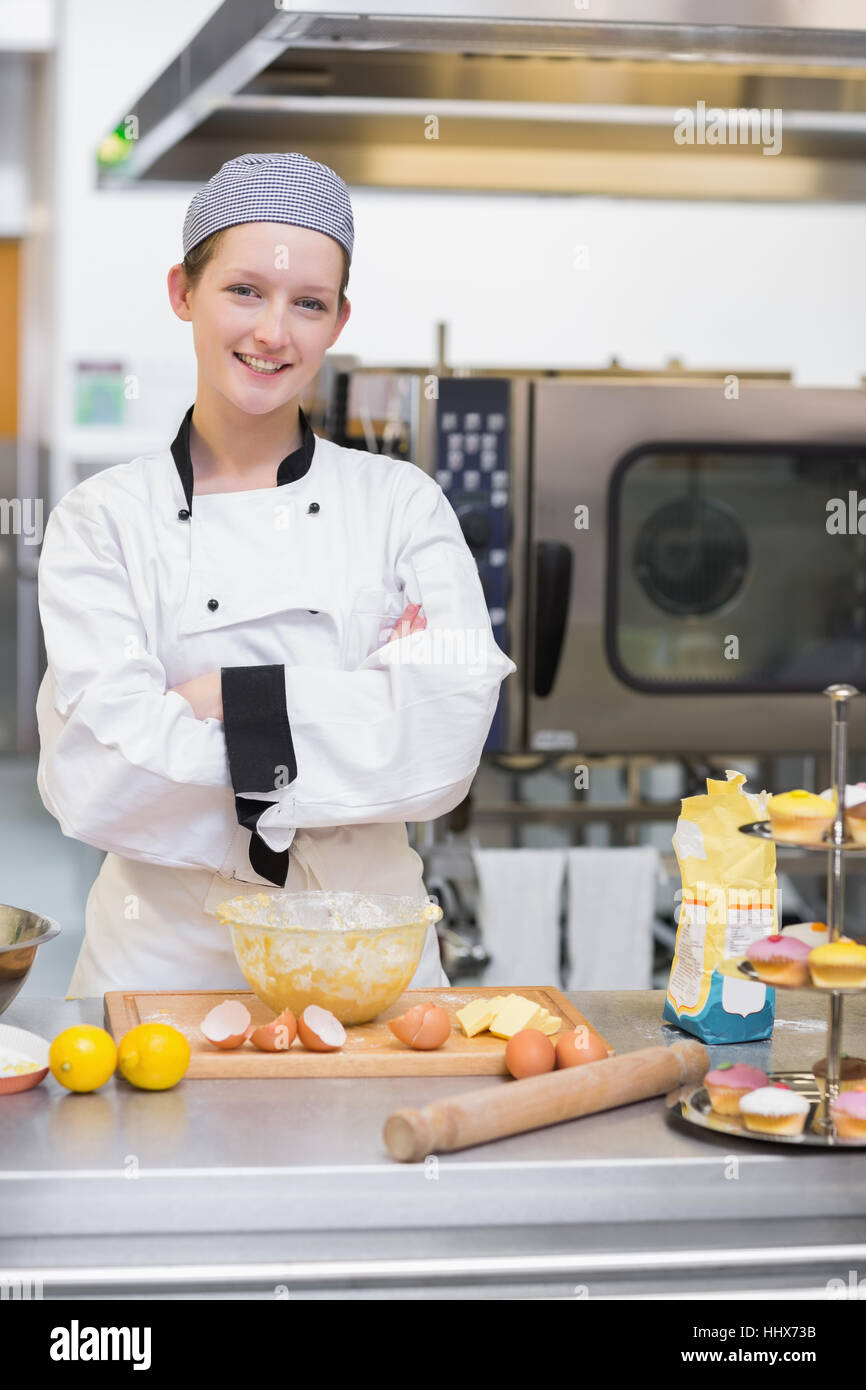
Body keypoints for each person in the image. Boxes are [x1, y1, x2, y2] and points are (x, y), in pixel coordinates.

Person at [35, 152, 516, 997]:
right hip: (165, 972)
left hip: (373, 966)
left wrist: (218, 697)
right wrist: (357, 714)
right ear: (183, 292)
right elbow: (102, 776)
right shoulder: (102, 520)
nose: (273, 332)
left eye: (308, 304)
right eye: (245, 290)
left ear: (338, 321)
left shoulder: (401, 503)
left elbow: (441, 743)